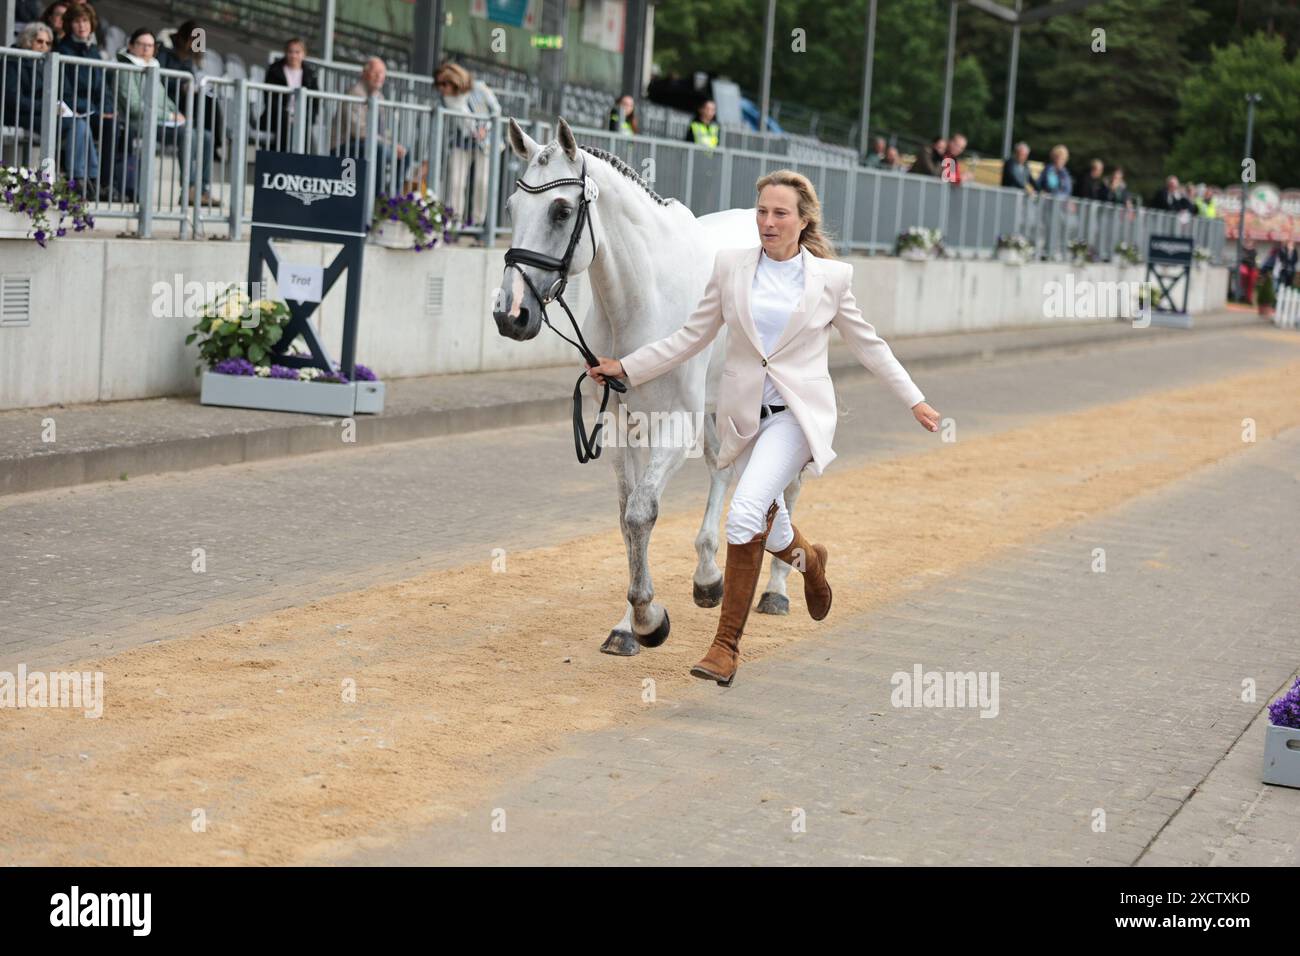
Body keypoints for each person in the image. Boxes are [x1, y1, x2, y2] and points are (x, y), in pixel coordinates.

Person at [586, 170, 941, 687]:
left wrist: (915, 399)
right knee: (769, 527)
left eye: (780, 214)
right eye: (762, 212)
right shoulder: (731, 267)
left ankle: (725, 647)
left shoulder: (830, 278)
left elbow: (870, 345)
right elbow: (690, 337)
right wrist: (628, 367)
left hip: (796, 420)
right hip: (745, 419)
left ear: (803, 221)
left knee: (743, 515)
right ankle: (812, 563)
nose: (768, 222)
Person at [2, 22, 97, 186]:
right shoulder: (13, 60)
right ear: (27, 40)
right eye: (39, 42)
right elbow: (13, 99)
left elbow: (64, 91)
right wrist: (48, 108)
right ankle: (82, 178)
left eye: (48, 43)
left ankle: (87, 177)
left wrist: (72, 108)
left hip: (43, 114)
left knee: (81, 123)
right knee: (76, 126)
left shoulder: (47, 63)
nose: (44, 46)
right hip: (20, 114)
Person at [331, 56, 407, 199]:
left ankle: (393, 198)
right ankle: (376, 198)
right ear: (365, 73)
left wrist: (394, 143)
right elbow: (358, 131)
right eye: (375, 72)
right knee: (378, 150)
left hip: (369, 142)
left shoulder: (379, 96)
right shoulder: (355, 93)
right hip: (344, 145)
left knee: (404, 153)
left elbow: (382, 129)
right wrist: (388, 144)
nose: (379, 76)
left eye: (382, 73)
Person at [434, 60, 499, 227]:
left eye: (444, 83)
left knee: (482, 183)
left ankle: (478, 222)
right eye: (438, 83)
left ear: (455, 81)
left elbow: (496, 110)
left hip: (486, 143)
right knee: (455, 181)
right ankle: (453, 220)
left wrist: (485, 127)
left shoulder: (479, 88)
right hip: (460, 142)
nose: (441, 87)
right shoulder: (444, 99)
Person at [54, 3, 109, 197]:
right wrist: (91, 109)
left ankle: (104, 182)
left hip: (92, 108)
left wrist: (107, 109)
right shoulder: (62, 49)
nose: (82, 25)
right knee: (82, 125)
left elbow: (103, 88)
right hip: (73, 109)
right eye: (77, 21)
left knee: (114, 124)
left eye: (85, 20)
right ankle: (83, 179)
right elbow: (64, 89)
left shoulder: (93, 51)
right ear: (69, 24)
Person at [260, 37, 320, 152]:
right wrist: (286, 115)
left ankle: (303, 164)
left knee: (306, 134)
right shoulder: (274, 71)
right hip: (277, 117)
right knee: (286, 129)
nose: (293, 55)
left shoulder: (310, 74)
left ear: (304, 54)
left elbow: (315, 101)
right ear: (285, 53)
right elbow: (270, 98)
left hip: (301, 117)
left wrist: (307, 117)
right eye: (290, 52)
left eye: (297, 52)